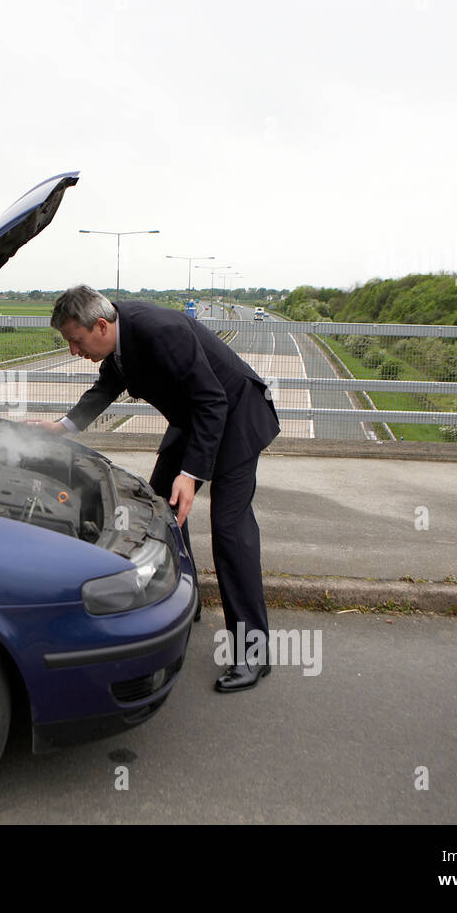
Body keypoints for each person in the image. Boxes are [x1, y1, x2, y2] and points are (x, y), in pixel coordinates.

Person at [32, 286, 281, 692]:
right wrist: (62, 428)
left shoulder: (160, 331)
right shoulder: (118, 337)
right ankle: (186, 598)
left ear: (99, 325)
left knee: (230, 531)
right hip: (195, 416)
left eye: (75, 341)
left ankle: (253, 652)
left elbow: (214, 401)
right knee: (161, 506)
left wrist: (192, 473)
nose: (74, 351)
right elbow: (106, 387)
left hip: (234, 415)